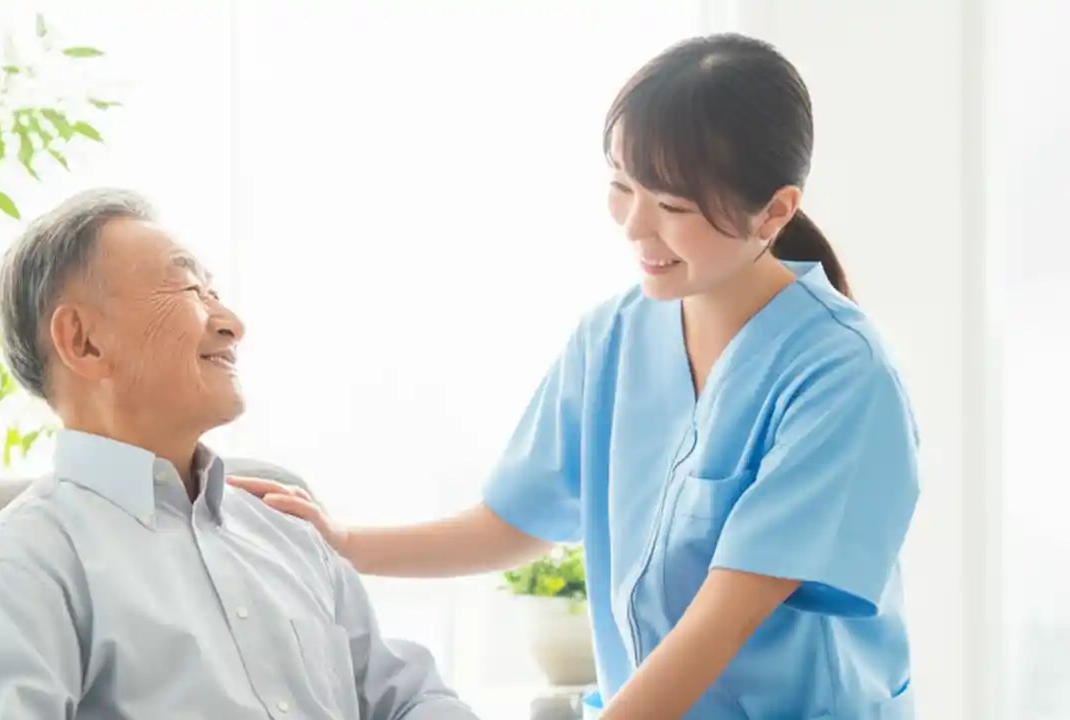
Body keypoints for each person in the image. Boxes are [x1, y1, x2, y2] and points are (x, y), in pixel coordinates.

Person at [232, 33, 920, 719]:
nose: (635, 226)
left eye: (675, 208)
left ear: (774, 210)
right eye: (623, 187)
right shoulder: (613, 336)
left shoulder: (839, 372)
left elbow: (725, 619)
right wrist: (346, 545)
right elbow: (517, 521)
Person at [0, 189, 478, 719]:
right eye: (192, 290)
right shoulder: (26, 565)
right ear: (84, 341)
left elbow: (409, 697)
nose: (231, 324)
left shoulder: (285, 529)